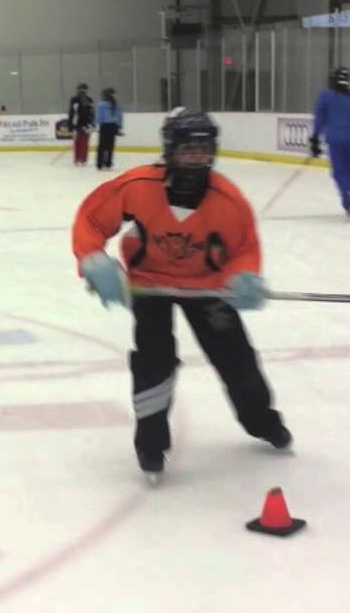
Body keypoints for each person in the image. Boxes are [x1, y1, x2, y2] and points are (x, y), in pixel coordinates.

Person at [71, 108, 292, 479]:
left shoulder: (228, 201)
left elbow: (244, 248)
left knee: (237, 359)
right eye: (187, 150)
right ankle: (151, 442)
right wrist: (92, 258)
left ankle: (262, 420)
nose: (196, 158)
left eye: (204, 151)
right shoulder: (138, 187)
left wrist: (244, 277)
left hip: (207, 288)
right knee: (153, 364)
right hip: (150, 286)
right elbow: (91, 220)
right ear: (170, 150)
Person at [310, 66, 350, 216]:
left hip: (336, 138)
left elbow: (320, 118)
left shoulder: (326, 96)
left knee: (339, 171)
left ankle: (348, 196)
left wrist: (315, 139)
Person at [94, 87, 124, 170]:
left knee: (101, 146)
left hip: (104, 126)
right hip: (113, 126)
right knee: (110, 146)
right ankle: (108, 163)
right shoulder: (116, 104)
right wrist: (119, 126)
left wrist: (98, 124)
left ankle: (99, 164)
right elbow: (120, 116)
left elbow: (99, 117)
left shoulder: (100, 104)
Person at [67, 83, 95, 166]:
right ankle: (81, 159)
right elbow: (72, 112)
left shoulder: (86, 100)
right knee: (82, 142)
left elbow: (72, 112)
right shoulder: (76, 100)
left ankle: (79, 159)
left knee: (80, 142)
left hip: (81, 123)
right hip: (82, 123)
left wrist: (70, 124)